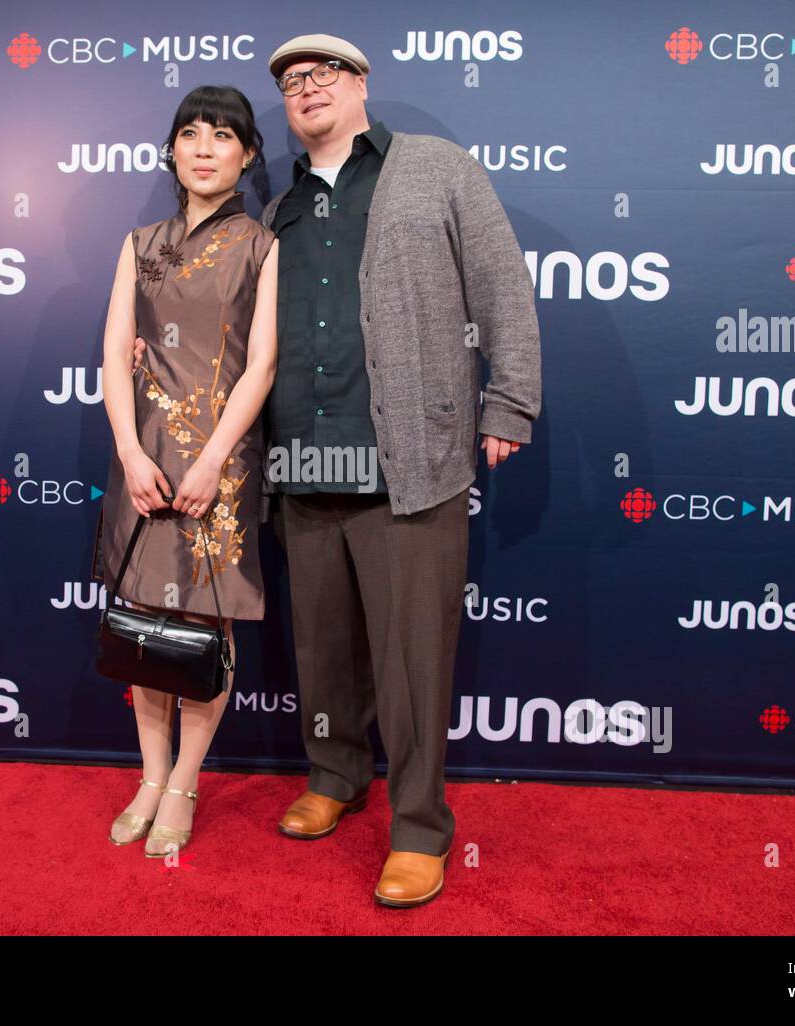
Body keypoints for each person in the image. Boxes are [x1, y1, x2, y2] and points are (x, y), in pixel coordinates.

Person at [260, 34, 542, 906]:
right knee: (323, 645)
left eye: (322, 75)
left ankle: (420, 826)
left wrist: (511, 402)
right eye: (291, 83)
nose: (306, 90)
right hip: (302, 458)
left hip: (410, 460)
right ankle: (336, 773)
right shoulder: (278, 208)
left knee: (414, 659)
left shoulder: (434, 168)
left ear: (359, 84)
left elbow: (501, 283)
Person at [91, 85, 278, 858]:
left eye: (222, 134)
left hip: (219, 466)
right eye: (190, 133)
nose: (204, 147)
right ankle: (149, 773)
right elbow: (111, 354)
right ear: (172, 150)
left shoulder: (265, 247)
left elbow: (261, 364)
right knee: (142, 625)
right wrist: (132, 453)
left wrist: (212, 461)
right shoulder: (139, 243)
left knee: (203, 630)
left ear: (249, 154)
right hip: (142, 461)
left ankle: (185, 782)